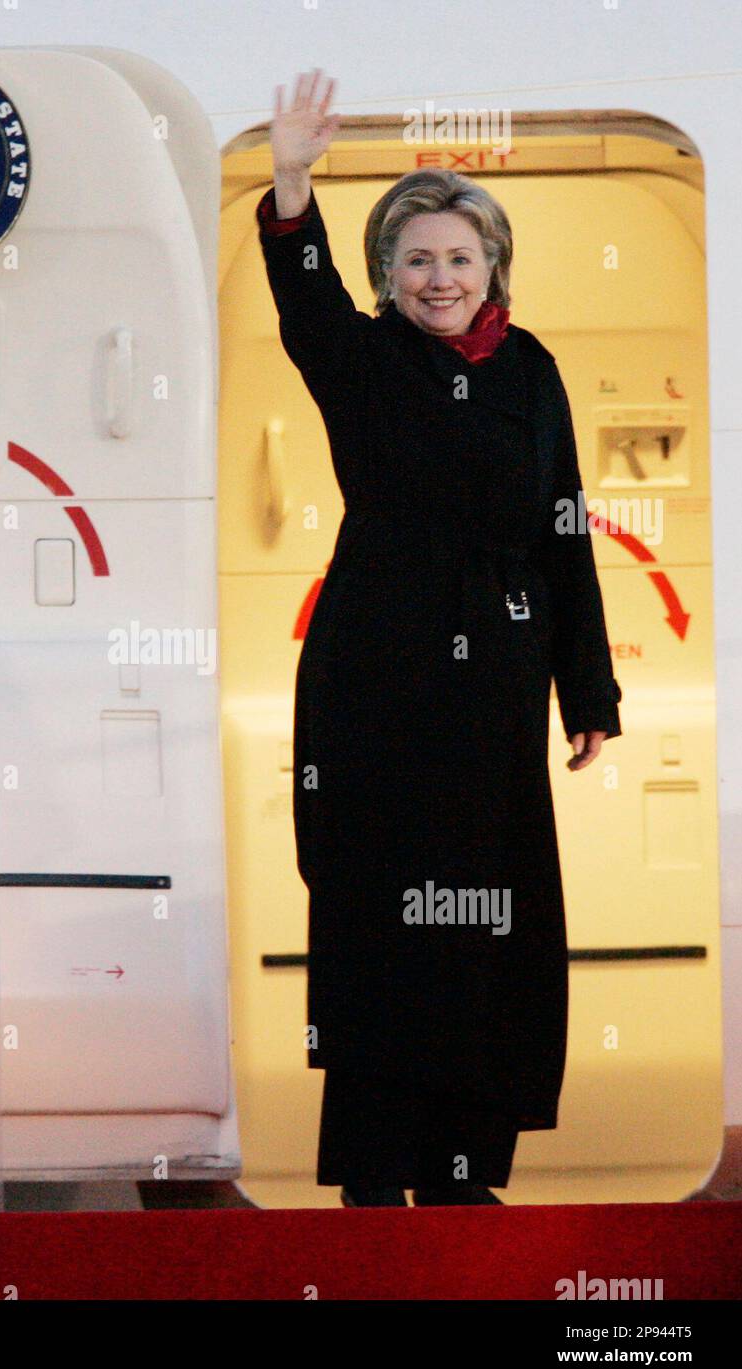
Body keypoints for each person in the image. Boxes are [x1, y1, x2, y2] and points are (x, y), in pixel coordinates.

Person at [258, 71, 623, 1207]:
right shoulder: (361, 359)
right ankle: (375, 1176)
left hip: (498, 681)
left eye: (458, 258)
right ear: (387, 274)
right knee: (380, 919)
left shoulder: (534, 373)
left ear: (492, 268)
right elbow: (305, 300)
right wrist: (290, 179)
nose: (439, 278)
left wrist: (589, 693)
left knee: (489, 923)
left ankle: (467, 1176)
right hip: (378, 672)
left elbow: (566, 532)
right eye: (416, 260)